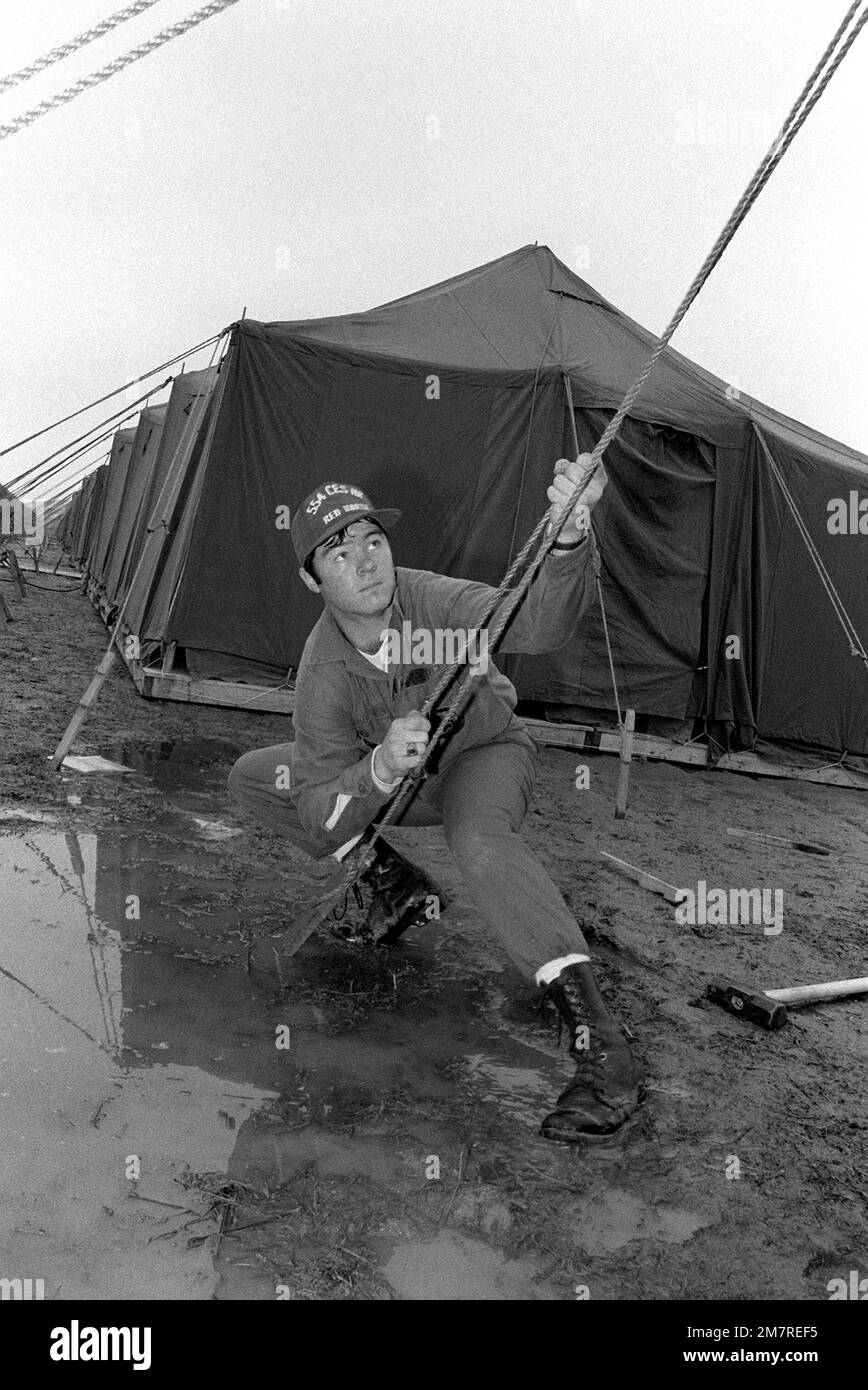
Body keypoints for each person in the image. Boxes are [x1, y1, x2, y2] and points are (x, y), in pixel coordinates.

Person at [228, 459, 641, 1141]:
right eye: (338, 550)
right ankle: (390, 880)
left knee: (478, 840)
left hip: (485, 757)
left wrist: (567, 540)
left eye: (372, 540)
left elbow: (533, 625)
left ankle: (606, 1048)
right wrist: (380, 772)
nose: (365, 561)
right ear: (311, 579)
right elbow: (317, 806)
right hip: (403, 782)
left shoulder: (432, 605)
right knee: (255, 775)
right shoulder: (322, 672)